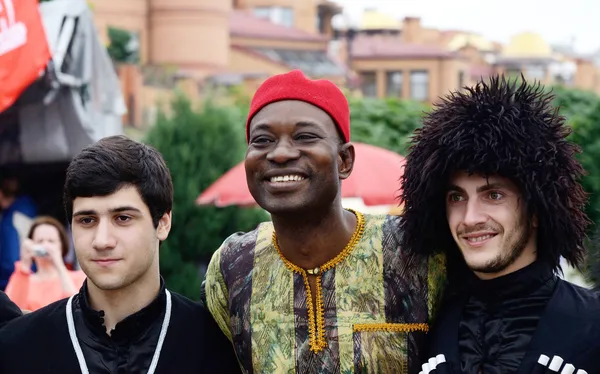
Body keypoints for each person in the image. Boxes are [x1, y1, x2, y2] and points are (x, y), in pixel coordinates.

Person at [204, 70, 446, 373]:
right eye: (262, 140)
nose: (280, 154)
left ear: (344, 160)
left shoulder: (414, 248)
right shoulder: (233, 265)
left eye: (305, 136)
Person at [399, 75, 600, 373]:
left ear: (536, 208)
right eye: (457, 197)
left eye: (493, 195)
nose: (470, 218)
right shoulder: (421, 327)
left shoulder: (593, 324)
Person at [0, 135, 240, 373]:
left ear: (163, 223)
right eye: (87, 220)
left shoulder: (217, 347)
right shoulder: (20, 347)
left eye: (123, 218)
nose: (102, 240)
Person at [5, 215, 86, 311]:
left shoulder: (79, 277)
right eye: (40, 241)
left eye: (51, 241)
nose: (45, 245)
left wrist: (59, 264)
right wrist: (24, 264)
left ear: (62, 245)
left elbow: (78, 309)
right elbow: (11, 311)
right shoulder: (22, 279)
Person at [0, 173, 37, 290]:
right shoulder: (26, 209)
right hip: (27, 276)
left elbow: (10, 259)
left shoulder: (13, 218)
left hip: (14, 281)